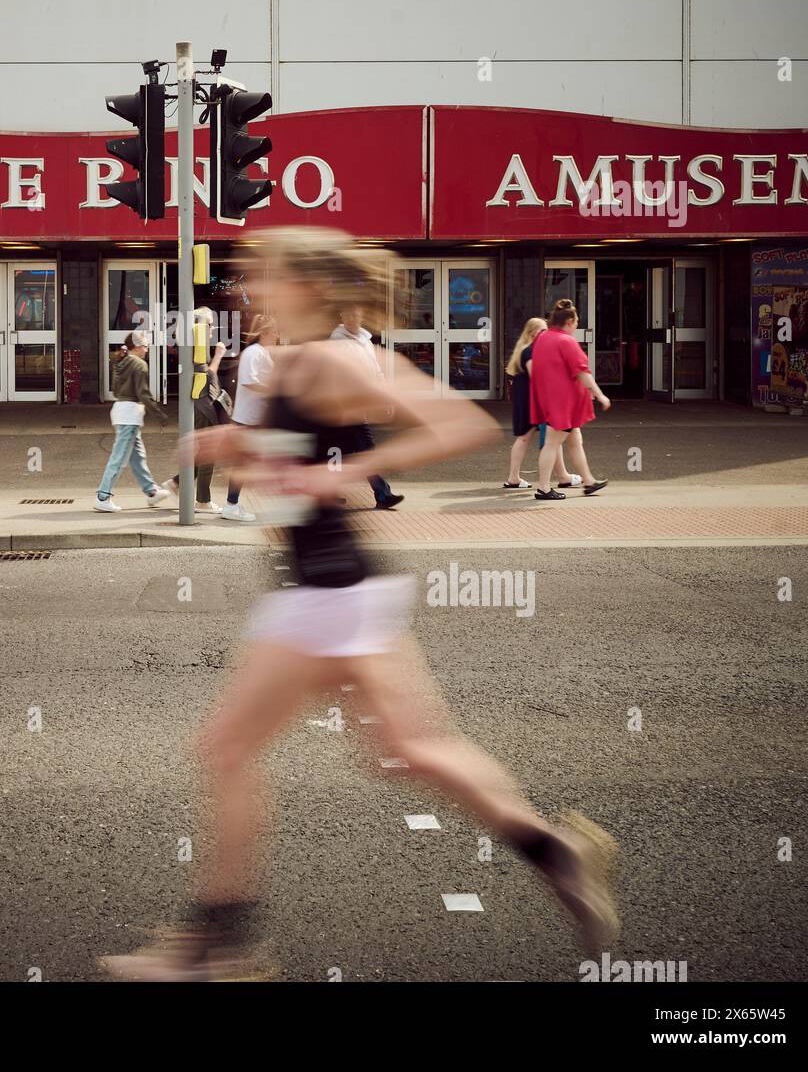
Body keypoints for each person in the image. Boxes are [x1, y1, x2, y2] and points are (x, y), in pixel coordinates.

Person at [102, 228, 619, 982]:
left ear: (307, 286)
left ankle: (218, 949)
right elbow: (302, 450)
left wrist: (354, 470)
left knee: (227, 751)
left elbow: (460, 425)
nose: (251, 285)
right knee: (412, 751)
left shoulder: (329, 358)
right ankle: (555, 850)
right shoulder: (305, 359)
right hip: (348, 587)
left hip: (325, 594)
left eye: (265, 274)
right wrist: (237, 449)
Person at [530, 299, 610, 500]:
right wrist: (600, 394)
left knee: (575, 441)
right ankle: (544, 488)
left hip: (553, 400)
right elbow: (582, 372)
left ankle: (589, 481)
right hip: (564, 403)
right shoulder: (566, 341)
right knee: (552, 443)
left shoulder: (543, 338)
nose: (577, 326)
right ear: (570, 321)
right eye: (576, 322)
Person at [329, 305, 404, 509]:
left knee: (355, 451)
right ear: (342, 315)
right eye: (348, 314)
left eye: (356, 314)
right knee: (353, 451)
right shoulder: (338, 341)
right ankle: (381, 494)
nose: (353, 318)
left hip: (357, 406)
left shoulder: (365, 340)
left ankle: (380, 494)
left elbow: (375, 371)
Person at [93, 331, 174, 513]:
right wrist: (160, 415)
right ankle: (103, 496)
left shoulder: (121, 362)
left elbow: (115, 390)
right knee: (119, 457)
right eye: (145, 346)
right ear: (137, 346)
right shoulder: (139, 365)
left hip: (121, 410)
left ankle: (151, 491)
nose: (147, 349)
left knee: (137, 456)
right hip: (130, 415)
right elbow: (143, 394)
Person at [504, 317, 582, 491]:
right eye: (543, 331)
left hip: (527, 400)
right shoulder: (530, 351)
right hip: (532, 401)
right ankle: (558, 477)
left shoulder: (524, 350)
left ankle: (516, 477)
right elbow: (537, 377)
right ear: (533, 334)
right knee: (548, 439)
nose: (547, 335)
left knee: (535, 438)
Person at [167, 307, 227, 514]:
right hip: (203, 402)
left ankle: (177, 483)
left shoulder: (195, 345)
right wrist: (218, 355)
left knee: (203, 449)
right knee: (208, 450)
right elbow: (208, 375)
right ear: (199, 326)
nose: (212, 329)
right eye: (209, 325)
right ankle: (202, 500)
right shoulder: (197, 346)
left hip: (201, 400)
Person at [221, 314, 279, 523]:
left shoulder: (260, 352)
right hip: (248, 419)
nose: (277, 335)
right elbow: (248, 381)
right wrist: (275, 390)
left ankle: (232, 504)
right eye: (274, 331)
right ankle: (231, 505)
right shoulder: (254, 353)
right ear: (264, 333)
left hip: (254, 418)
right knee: (243, 464)